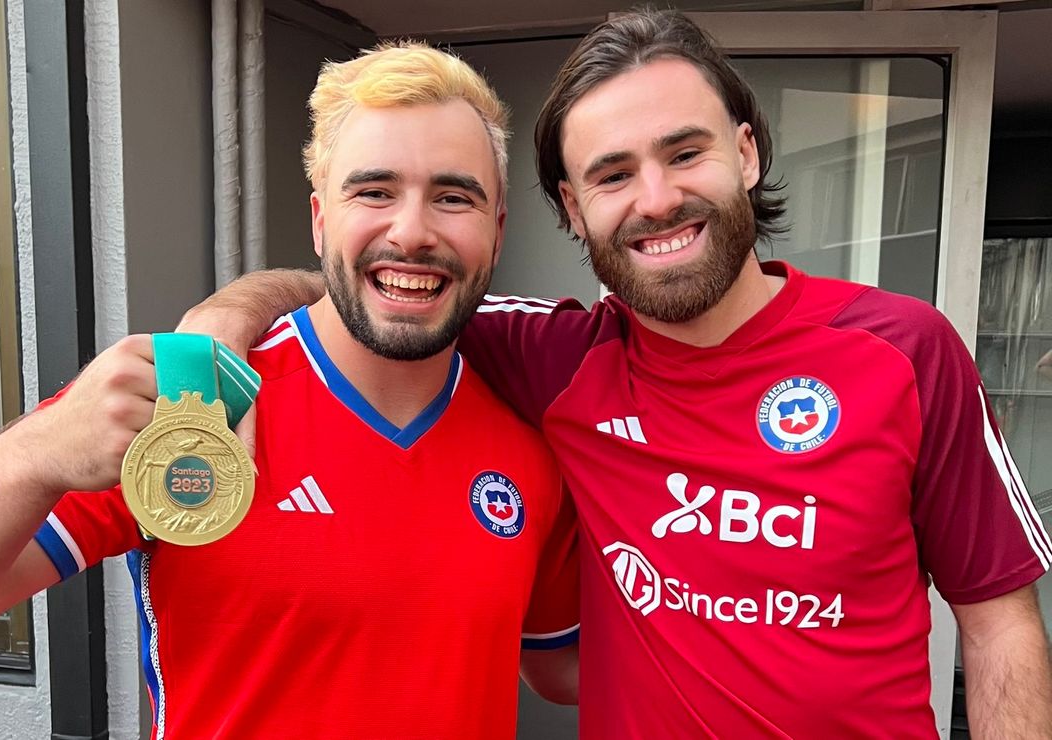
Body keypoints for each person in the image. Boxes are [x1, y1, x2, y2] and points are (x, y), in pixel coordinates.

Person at [182, 9, 1052, 738]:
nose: (656, 198)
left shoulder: (906, 351)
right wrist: (225, 318)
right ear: (573, 206)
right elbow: (389, 284)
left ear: (746, 154)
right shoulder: (555, 357)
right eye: (612, 174)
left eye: (685, 153)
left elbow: (999, 625)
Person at [0, 43, 580, 739]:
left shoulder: (530, 435)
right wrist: (35, 452)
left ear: (497, 229)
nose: (412, 231)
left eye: (453, 197)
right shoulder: (193, 399)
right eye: (374, 192)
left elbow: (557, 667)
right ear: (320, 220)